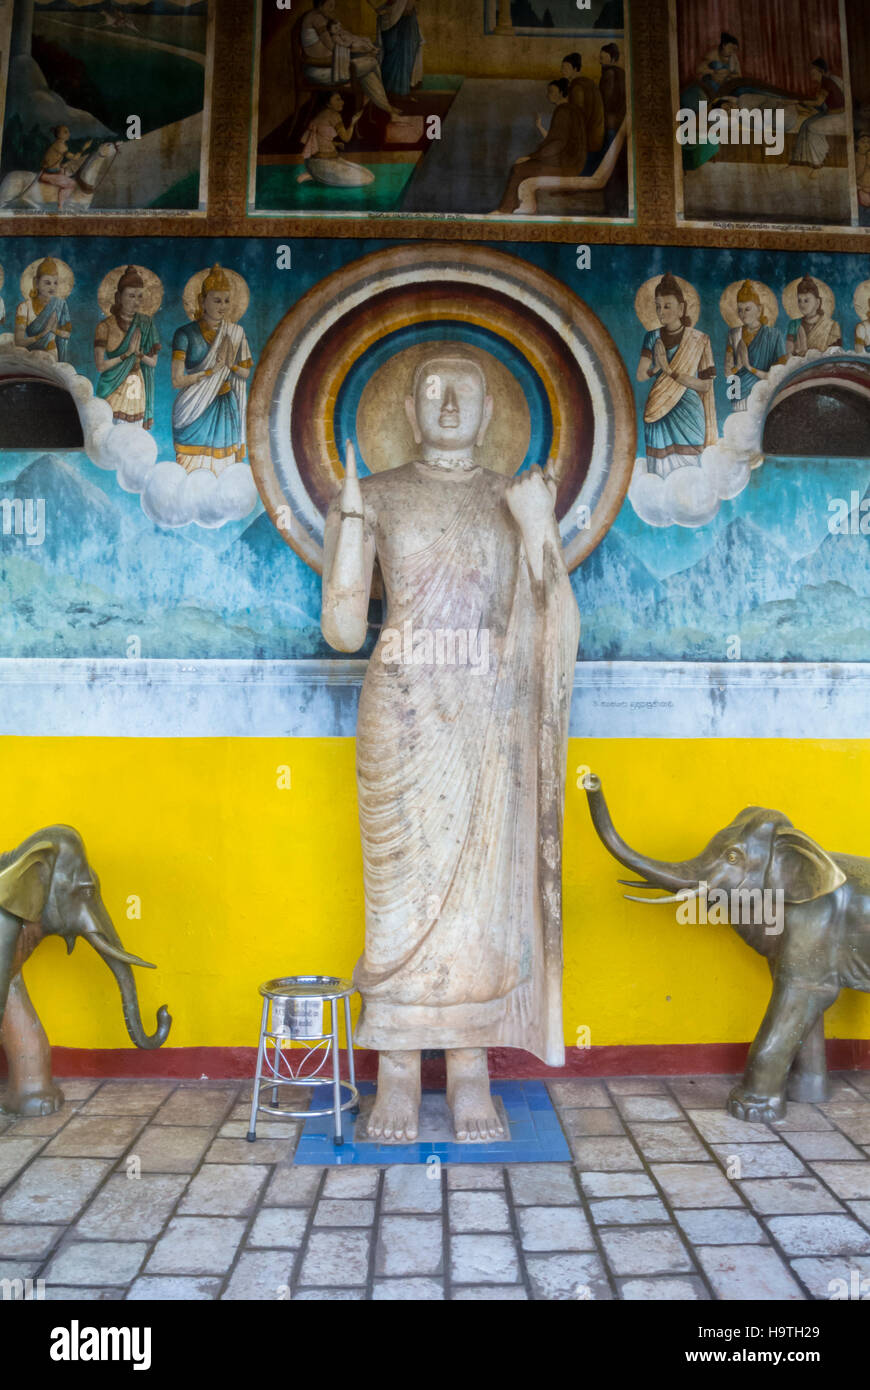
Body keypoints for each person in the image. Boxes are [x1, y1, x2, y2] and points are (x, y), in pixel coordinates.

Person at [321, 353, 580, 1143]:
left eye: (464, 389)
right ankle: (396, 1071)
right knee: (399, 901)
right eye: (430, 389)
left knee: (478, 900)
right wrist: (354, 522)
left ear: (492, 406)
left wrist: (539, 527)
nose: (448, 403)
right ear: (405, 407)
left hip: (486, 716)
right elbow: (340, 631)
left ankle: (470, 1069)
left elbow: (557, 628)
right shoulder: (382, 495)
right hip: (401, 713)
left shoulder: (514, 499)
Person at [171, 266, 253, 476]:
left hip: (225, 408)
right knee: (189, 472)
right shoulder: (184, 333)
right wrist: (208, 373)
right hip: (192, 410)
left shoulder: (236, 333)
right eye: (217, 300)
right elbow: (177, 380)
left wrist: (230, 365)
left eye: (226, 301)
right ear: (202, 301)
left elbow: (244, 374)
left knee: (223, 473)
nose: (223, 306)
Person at [636, 272, 717, 477]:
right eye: (657, 306)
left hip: (689, 412)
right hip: (658, 410)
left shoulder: (700, 340)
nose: (661, 312)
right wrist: (658, 367)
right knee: (660, 474)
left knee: (690, 473)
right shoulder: (652, 337)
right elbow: (641, 375)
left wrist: (670, 371)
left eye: (666, 306)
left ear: (681, 308)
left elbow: (705, 386)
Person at [496, 79, 585, 214]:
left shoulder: (563, 112)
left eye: (551, 92)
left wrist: (530, 157)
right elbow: (557, 139)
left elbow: (557, 144)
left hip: (568, 166)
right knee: (522, 167)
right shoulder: (570, 109)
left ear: (561, 93)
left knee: (518, 169)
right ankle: (513, 206)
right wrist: (540, 127)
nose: (548, 95)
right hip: (571, 161)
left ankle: (506, 209)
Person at [300, 0, 400, 117]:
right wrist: (362, 49)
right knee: (372, 62)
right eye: (330, 6)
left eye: (334, 5)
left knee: (368, 68)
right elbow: (333, 47)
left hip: (329, 66)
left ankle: (386, 107)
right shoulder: (318, 19)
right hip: (320, 71)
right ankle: (386, 106)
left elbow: (342, 37)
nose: (332, 9)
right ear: (320, 4)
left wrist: (360, 44)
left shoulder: (321, 17)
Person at [94, 266, 161, 430]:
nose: (136, 301)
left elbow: (152, 363)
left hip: (137, 388)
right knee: (110, 430)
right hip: (112, 387)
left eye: (139, 296)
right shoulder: (105, 326)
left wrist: (138, 354)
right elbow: (100, 366)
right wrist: (127, 354)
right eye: (131, 296)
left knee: (134, 435)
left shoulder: (146, 323)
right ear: (119, 297)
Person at [724, 281, 785, 412]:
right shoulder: (734, 334)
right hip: (739, 395)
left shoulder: (774, 335)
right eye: (740, 310)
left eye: (747, 309)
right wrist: (739, 367)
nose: (743, 314)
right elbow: (727, 373)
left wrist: (750, 368)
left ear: (759, 309)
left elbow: (779, 376)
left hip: (764, 395)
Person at [298, 92, 373, 187]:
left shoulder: (321, 114)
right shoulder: (334, 115)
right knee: (367, 178)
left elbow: (320, 139)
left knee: (365, 173)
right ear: (328, 103)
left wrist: (336, 143)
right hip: (323, 164)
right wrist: (353, 123)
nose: (342, 102)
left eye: (341, 99)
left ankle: (314, 175)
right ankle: (317, 176)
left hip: (312, 164)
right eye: (338, 99)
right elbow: (346, 138)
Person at [790, 57, 846, 171]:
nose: (811, 73)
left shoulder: (826, 82)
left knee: (811, 127)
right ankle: (799, 160)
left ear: (820, 71)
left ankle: (818, 160)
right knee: (805, 124)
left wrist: (799, 102)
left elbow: (818, 102)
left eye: (813, 70)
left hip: (836, 115)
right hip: (828, 112)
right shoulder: (823, 82)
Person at [14, 257, 71, 361]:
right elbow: (18, 341)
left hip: (51, 354)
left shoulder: (60, 305)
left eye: (55, 283)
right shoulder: (24, 307)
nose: (52, 287)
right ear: (36, 282)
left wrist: (53, 330)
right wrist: (42, 334)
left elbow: (67, 334)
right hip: (29, 355)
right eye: (47, 282)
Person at [366, 0, 423, 98]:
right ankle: (389, 91)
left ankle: (401, 91)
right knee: (393, 54)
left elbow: (409, 7)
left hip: (407, 22)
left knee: (406, 56)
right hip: (395, 23)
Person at [561, 52, 604, 170]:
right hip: (597, 138)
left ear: (575, 69)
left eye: (566, 68)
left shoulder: (577, 87)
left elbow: (578, 117)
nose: (562, 70)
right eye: (562, 67)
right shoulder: (589, 82)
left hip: (587, 143)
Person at [38, 126, 92, 211]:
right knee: (72, 183)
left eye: (68, 132)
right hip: (47, 173)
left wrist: (62, 165)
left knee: (69, 173)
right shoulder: (59, 145)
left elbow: (55, 159)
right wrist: (84, 148)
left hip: (55, 170)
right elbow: (74, 158)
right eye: (66, 132)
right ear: (59, 134)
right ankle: (60, 207)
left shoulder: (60, 144)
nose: (69, 134)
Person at [784, 276, 841, 356]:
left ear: (817, 302)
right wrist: (796, 352)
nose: (802, 304)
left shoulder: (832, 326)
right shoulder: (794, 324)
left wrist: (808, 354)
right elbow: (789, 354)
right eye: (799, 301)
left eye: (806, 300)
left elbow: (835, 356)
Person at [599, 42, 626, 153]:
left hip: (610, 123)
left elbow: (606, 100)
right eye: (600, 58)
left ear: (613, 59)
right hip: (620, 122)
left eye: (603, 58)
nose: (600, 61)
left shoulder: (609, 73)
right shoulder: (621, 73)